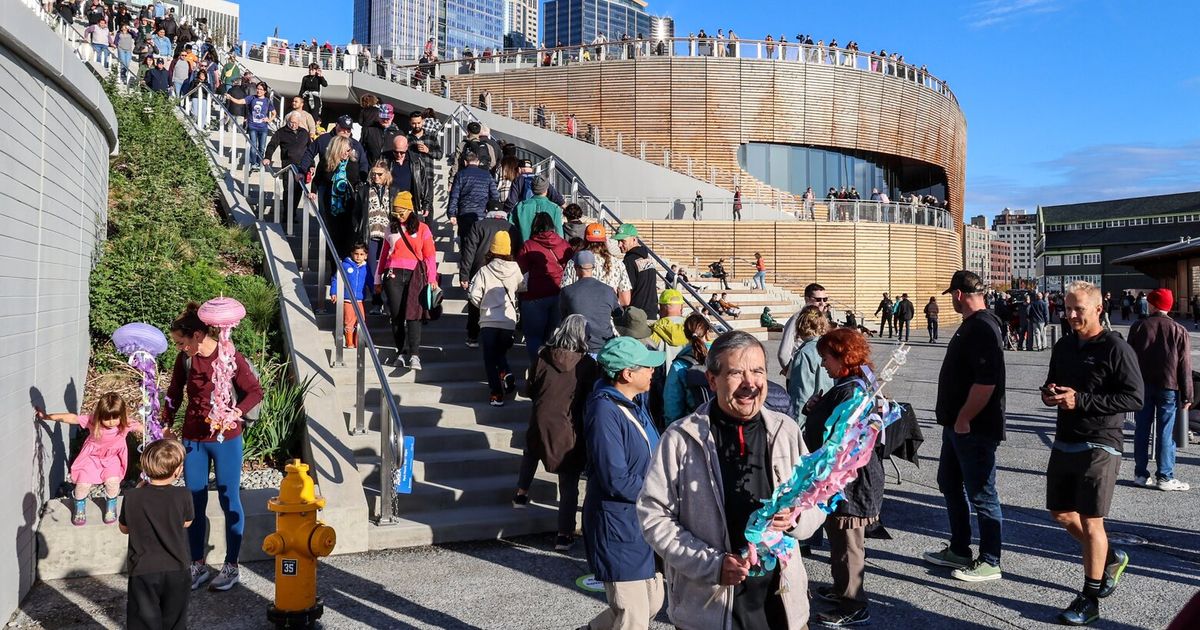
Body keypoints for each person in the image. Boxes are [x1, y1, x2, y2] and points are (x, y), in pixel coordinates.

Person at [639, 330, 826, 629]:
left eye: (757, 371)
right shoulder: (681, 438)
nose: (750, 383)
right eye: (737, 372)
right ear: (712, 381)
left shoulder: (786, 431)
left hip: (780, 605)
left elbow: (817, 499)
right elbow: (653, 515)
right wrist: (711, 565)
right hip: (708, 607)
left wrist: (796, 517)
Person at [1041, 281, 1143, 625]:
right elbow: (1053, 381)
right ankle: (1111, 556)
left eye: (1078, 309)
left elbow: (1134, 398)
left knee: (1091, 519)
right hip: (1065, 438)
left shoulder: (1115, 347)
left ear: (1098, 309)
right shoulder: (1064, 345)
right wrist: (1050, 393)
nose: (1070, 315)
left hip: (1101, 442)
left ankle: (1090, 598)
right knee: (1060, 513)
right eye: (1067, 308)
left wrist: (1080, 400)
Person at [164, 302, 264, 592]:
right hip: (193, 438)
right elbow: (174, 391)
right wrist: (167, 421)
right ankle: (197, 564)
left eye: (182, 342)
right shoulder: (185, 360)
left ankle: (231, 566)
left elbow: (255, 391)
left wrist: (236, 412)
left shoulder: (230, 357)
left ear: (197, 335)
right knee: (193, 502)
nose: (180, 348)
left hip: (226, 438)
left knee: (228, 498)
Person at [924, 270, 1007, 583]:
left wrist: (964, 418)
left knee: (983, 494)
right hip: (957, 426)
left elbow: (987, 382)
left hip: (973, 428)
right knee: (948, 482)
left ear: (958, 294)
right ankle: (959, 548)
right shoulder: (973, 326)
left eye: (953, 296)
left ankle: (990, 560)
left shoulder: (983, 328)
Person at [581, 336, 666, 630]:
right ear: (627, 374)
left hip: (641, 521)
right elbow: (614, 478)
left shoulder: (633, 404)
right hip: (618, 524)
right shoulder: (605, 411)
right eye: (646, 367)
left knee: (652, 602)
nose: (652, 371)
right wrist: (662, 494)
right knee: (634, 616)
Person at [805, 328, 885, 627]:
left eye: (826, 358)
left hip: (850, 481)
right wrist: (813, 408)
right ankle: (842, 589)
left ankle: (854, 602)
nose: (823, 364)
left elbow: (838, 436)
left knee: (848, 540)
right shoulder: (856, 381)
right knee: (839, 538)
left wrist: (814, 415)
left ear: (841, 356)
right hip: (845, 477)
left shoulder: (851, 389)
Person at [512, 315, 599, 550]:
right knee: (569, 482)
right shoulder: (587, 364)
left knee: (532, 448)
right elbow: (590, 397)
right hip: (568, 425)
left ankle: (521, 492)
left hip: (541, 417)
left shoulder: (542, 355)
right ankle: (564, 534)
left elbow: (530, 389)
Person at [36, 393, 143, 526]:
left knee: (113, 482)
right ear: (100, 415)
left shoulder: (125, 424)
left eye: (115, 417)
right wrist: (47, 416)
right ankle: (79, 506)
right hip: (91, 458)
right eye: (106, 418)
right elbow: (71, 418)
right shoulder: (93, 421)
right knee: (82, 485)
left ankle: (111, 504)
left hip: (112, 458)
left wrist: (159, 433)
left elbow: (144, 429)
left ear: (121, 415)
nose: (111, 422)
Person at [118, 439, 192, 630]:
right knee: (175, 621)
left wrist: (136, 492)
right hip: (177, 567)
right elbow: (187, 522)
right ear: (178, 470)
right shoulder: (183, 494)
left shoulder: (132, 496)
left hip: (143, 569)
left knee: (143, 620)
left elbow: (124, 528)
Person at [1127, 288, 1192, 491]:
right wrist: (1188, 394)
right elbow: (1184, 365)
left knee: (1141, 429)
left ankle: (1140, 473)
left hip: (1142, 385)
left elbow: (1128, 360)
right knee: (1166, 431)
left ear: (1153, 305)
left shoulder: (1138, 327)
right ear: (1169, 306)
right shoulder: (1179, 330)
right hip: (1169, 386)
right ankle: (1165, 475)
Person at [376, 192, 437, 370]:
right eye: (395, 212)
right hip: (392, 273)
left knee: (413, 315)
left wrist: (432, 278)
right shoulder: (391, 227)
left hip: (416, 275)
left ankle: (415, 354)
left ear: (410, 209)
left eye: (401, 212)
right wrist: (377, 278)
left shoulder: (423, 228)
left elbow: (430, 256)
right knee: (396, 315)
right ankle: (401, 351)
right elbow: (383, 253)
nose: (398, 216)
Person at [469, 232, 526, 406]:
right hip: (508, 320)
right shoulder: (515, 268)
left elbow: (473, 294)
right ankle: (506, 373)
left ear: (491, 249)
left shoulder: (484, 270)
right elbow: (522, 286)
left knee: (489, 358)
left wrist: (484, 305)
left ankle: (496, 394)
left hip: (488, 320)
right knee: (500, 353)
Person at [516, 212, 572, 366]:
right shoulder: (563, 244)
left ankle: (537, 369)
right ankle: (550, 373)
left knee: (534, 336)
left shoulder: (529, 245)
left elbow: (520, 270)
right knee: (553, 337)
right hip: (558, 294)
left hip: (534, 296)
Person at [461, 204, 520, 347]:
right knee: (505, 300)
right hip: (507, 269)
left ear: (486, 211)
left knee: (476, 301)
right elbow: (518, 249)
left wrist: (464, 275)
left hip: (481, 267)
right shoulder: (511, 227)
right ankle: (505, 333)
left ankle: (473, 336)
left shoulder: (478, 225)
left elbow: (469, 251)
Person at [308, 135, 360, 262]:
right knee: (333, 234)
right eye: (345, 151)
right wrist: (313, 192)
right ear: (337, 149)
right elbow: (317, 180)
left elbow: (357, 182)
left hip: (348, 205)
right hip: (330, 205)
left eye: (349, 150)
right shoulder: (326, 162)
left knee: (347, 235)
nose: (348, 153)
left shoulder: (352, 164)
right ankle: (333, 263)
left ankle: (344, 261)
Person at [559, 250, 620, 353]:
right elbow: (618, 314)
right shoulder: (608, 290)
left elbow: (562, 318)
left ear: (576, 268)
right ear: (593, 268)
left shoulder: (567, 291)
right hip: (604, 346)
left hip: (577, 347)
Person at [661, 313, 717, 424]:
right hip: (721, 425)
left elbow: (672, 404)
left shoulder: (679, 365)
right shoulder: (721, 356)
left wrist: (672, 429)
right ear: (707, 333)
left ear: (685, 335)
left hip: (693, 426)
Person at [561, 223, 632, 306]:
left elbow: (564, 294)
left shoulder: (573, 262)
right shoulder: (618, 264)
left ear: (585, 240)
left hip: (580, 314)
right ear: (605, 240)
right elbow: (625, 300)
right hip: (606, 315)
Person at [786, 305, 834, 426]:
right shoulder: (829, 348)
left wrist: (796, 428)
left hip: (810, 421)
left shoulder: (804, 353)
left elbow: (800, 395)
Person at [448, 151, 500, 252]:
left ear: (465, 162)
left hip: (464, 213)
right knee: (480, 241)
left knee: (465, 241)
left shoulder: (460, 175)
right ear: (478, 162)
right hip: (481, 214)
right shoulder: (487, 175)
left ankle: (465, 262)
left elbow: (454, 196)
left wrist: (452, 214)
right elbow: (495, 195)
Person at [777, 283, 831, 374]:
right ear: (807, 299)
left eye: (825, 299)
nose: (822, 303)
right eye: (818, 299)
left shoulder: (823, 317)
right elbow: (783, 353)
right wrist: (792, 374)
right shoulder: (798, 318)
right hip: (803, 373)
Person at [329, 242, 373, 349]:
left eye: (361, 254)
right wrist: (333, 292)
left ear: (366, 256)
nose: (358, 257)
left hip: (359, 299)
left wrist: (375, 290)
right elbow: (336, 279)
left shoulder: (366, 268)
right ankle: (349, 342)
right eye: (356, 254)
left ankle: (359, 342)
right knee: (349, 320)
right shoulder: (345, 265)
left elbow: (370, 280)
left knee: (361, 320)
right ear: (352, 254)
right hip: (347, 299)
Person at [225, 82, 275, 169]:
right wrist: (231, 98)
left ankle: (259, 163)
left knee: (262, 147)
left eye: (261, 89)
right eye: (258, 89)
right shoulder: (251, 98)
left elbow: (274, 113)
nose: (259, 91)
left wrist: (269, 120)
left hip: (263, 128)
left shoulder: (267, 101)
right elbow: (240, 101)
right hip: (252, 126)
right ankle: (253, 163)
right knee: (253, 146)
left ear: (265, 91)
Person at [614, 224, 658, 320]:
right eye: (618, 241)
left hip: (636, 318)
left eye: (622, 241)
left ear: (634, 239)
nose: (619, 245)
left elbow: (626, 296)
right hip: (651, 314)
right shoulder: (648, 258)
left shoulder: (629, 262)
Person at [407, 110, 443, 219]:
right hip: (412, 174)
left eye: (418, 122)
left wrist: (428, 150)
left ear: (423, 121)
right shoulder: (407, 138)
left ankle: (429, 233)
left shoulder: (431, 137)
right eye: (414, 123)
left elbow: (439, 154)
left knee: (428, 205)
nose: (416, 125)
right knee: (412, 202)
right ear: (410, 122)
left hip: (428, 174)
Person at [513, 175, 564, 243]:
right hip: (546, 251)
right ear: (546, 189)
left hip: (524, 250)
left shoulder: (520, 206)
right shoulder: (555, 208)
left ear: (532, 188)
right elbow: (559, 236)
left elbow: (512, 229)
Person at [651, 289, 688, 362]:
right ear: (682, 307)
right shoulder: (692, 327)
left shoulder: (655, 329)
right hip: (690, 372)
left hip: (661, 372)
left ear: (661, 307)